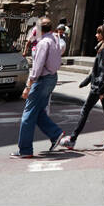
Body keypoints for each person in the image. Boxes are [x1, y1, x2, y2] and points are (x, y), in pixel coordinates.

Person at [60, 24, 104, 150]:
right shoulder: (103, 48)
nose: (96, 35)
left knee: (85, 111)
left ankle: (72, 139)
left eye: (98, 33)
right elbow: (96, 70)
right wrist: (86, 81)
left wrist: (100, 90)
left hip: (99, 88)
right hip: (100, 87)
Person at [13, 17, 65, 158]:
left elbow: (37, 67)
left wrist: (28, 85)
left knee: (28, 115)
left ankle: (25, 150)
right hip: (52, 78)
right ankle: (55, 134)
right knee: (38, 111)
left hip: (42, 80)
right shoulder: (55, 39)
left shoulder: (43, 43)